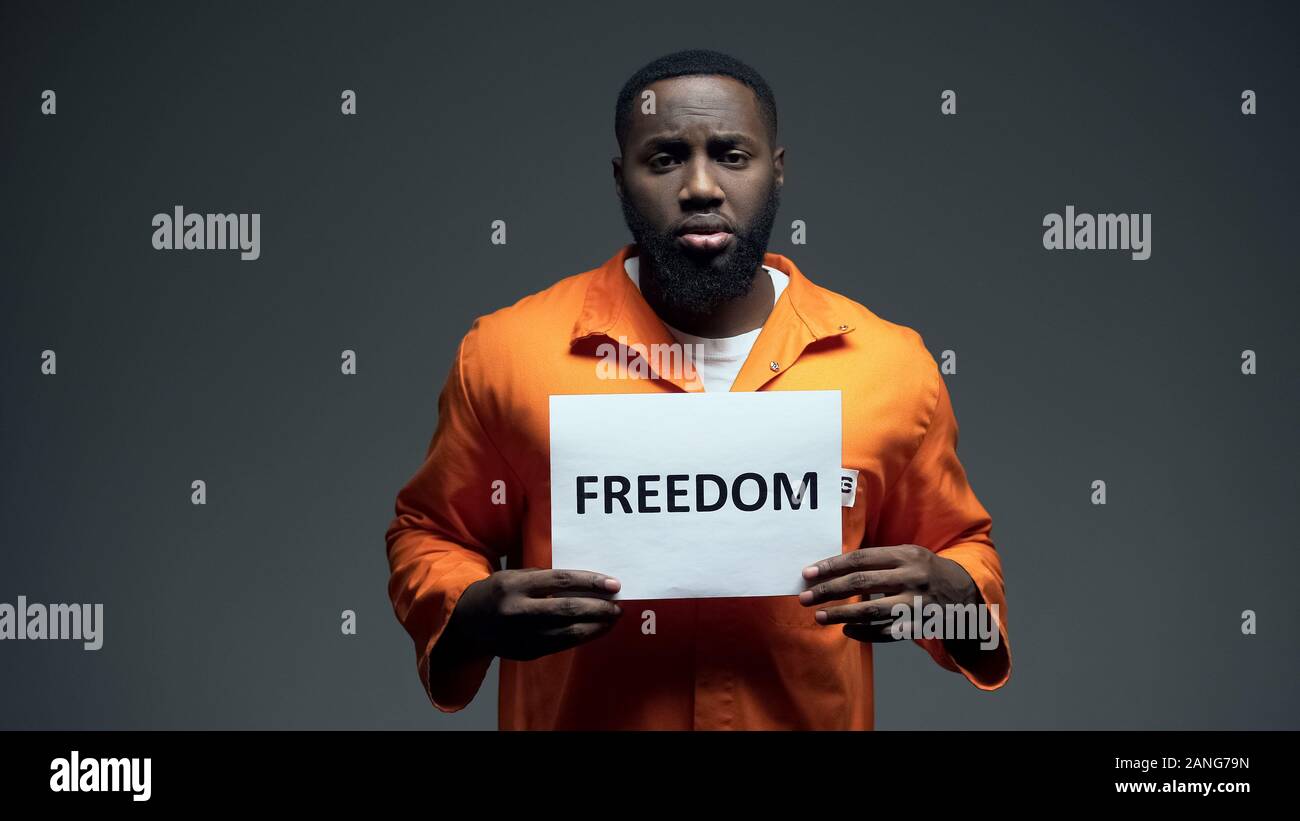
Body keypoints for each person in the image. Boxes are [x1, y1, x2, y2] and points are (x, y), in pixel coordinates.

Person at [384, 49, 1011, 730]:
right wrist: (468, 610)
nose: (701, 186)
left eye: (732, 155)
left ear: (777, 169)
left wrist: (957, 595)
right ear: (621, 179)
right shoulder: (506, 353)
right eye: (666, 158)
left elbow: (960, 547)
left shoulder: (890, 363)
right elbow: (431, 531)